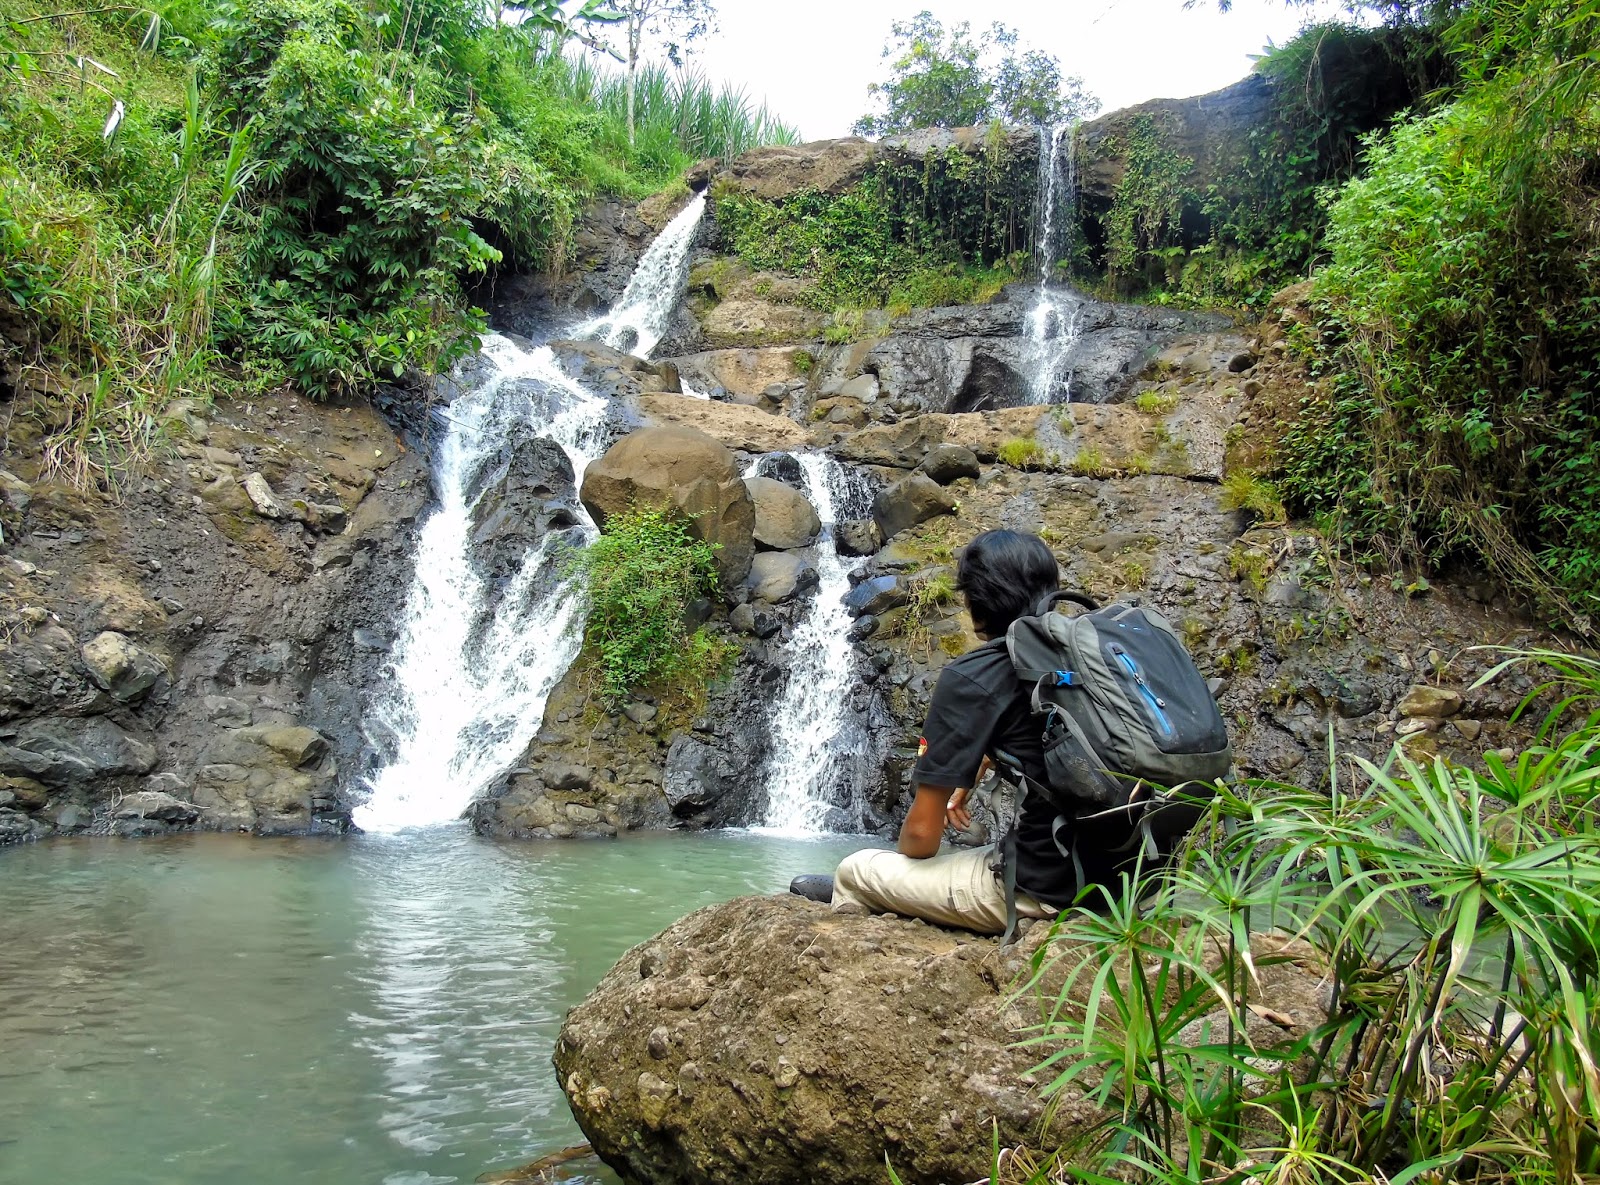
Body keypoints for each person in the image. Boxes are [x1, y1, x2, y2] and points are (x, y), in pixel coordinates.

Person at [790, 529, 1122, 933]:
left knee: (855, 868)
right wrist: (978, 763)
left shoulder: (975, 674)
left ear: (975, 599)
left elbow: (919, 839)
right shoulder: (1096, 655)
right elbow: (1049, 733)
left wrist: (938, 797)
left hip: (1053, 890)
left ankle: (861, 911)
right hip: (1140, 880)